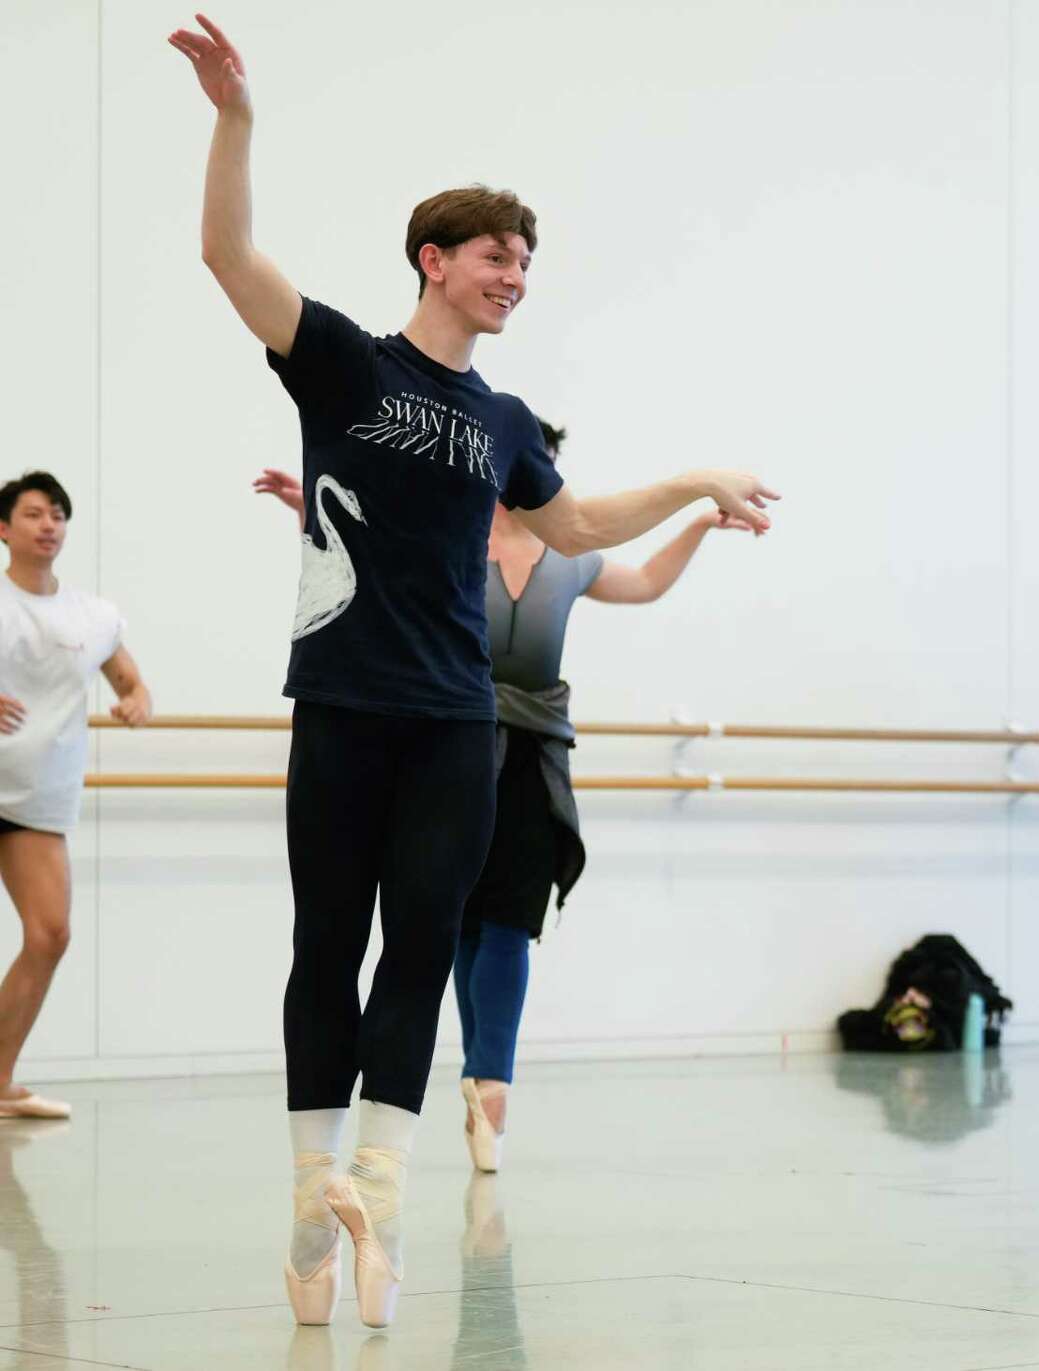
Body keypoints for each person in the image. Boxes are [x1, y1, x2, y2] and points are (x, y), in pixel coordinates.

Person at [171, 14, 777, 1329]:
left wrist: (691, 483)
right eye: (498, 257)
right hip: (342, 704)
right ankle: (305, 1196)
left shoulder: (503, 423)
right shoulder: (342, 361)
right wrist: (236, 120)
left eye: (526, 263)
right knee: (326, 941)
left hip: (455, 718)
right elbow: (225, 252)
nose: (515, 276)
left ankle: (378, 1196)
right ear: (435, 260)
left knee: (424, 943)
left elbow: (574, 527)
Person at [255, 420, 750, 1174]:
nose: (532, 480)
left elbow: (645, 582)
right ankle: (476, 1076)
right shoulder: (452, 538)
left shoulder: (571, 560)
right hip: (450, 747)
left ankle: (492, 1083)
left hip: (533, 756)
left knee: (513, 919)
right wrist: (306, 510)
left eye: (543, 468)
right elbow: (377, 560)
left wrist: (700, 526)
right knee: (455, 919)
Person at [0, 473, 153, 1124]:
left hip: (35, 798)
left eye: (58, 514)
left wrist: (136, 698)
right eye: (33, 513)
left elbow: (128, 675)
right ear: (5, 529)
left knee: (51, 933)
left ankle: (0, 1081)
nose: (48, 524)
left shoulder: (92, 615)